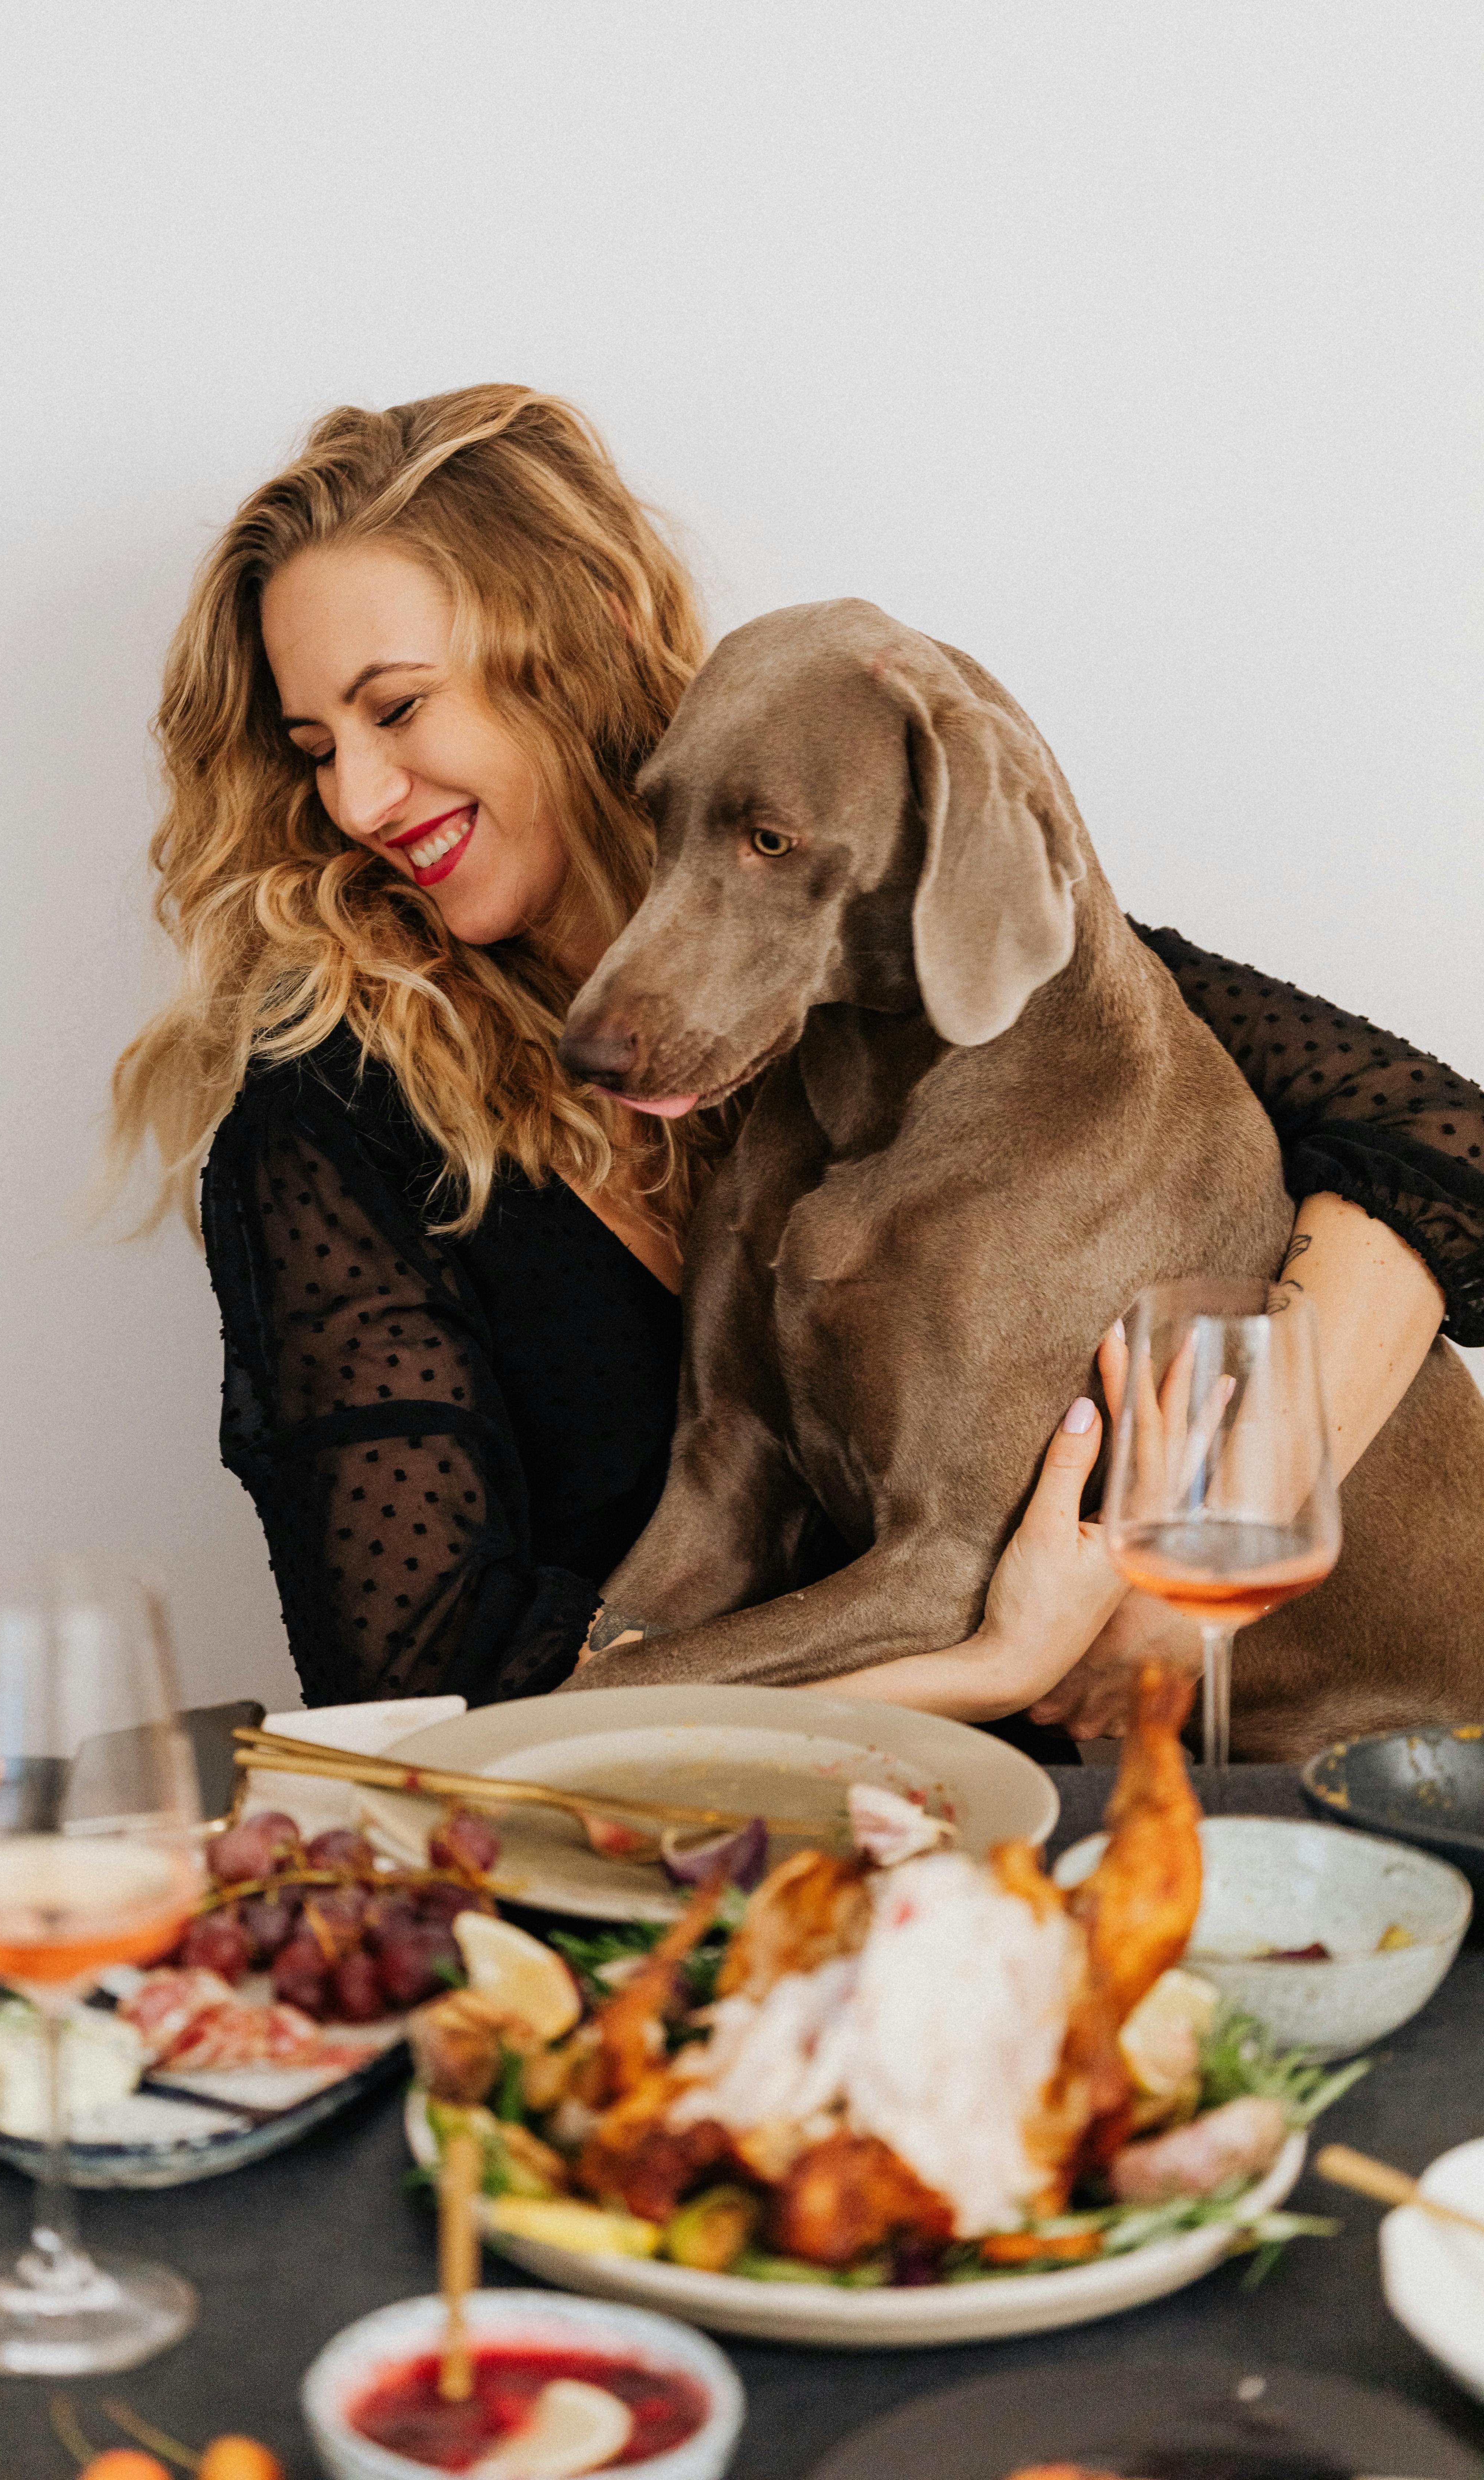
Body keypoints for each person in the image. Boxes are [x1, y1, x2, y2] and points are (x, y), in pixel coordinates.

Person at [109, 386, 1484, 1740]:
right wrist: (989, 1663)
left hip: (1316, 1782)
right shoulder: (331, 1124)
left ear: (584, 648)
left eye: (398, 709)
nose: (355, 801)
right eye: (314, 749)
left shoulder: (939, 941)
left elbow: (1449, 1147)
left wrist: (1211, 1540)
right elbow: (423, 1693)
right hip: (747, 1828)